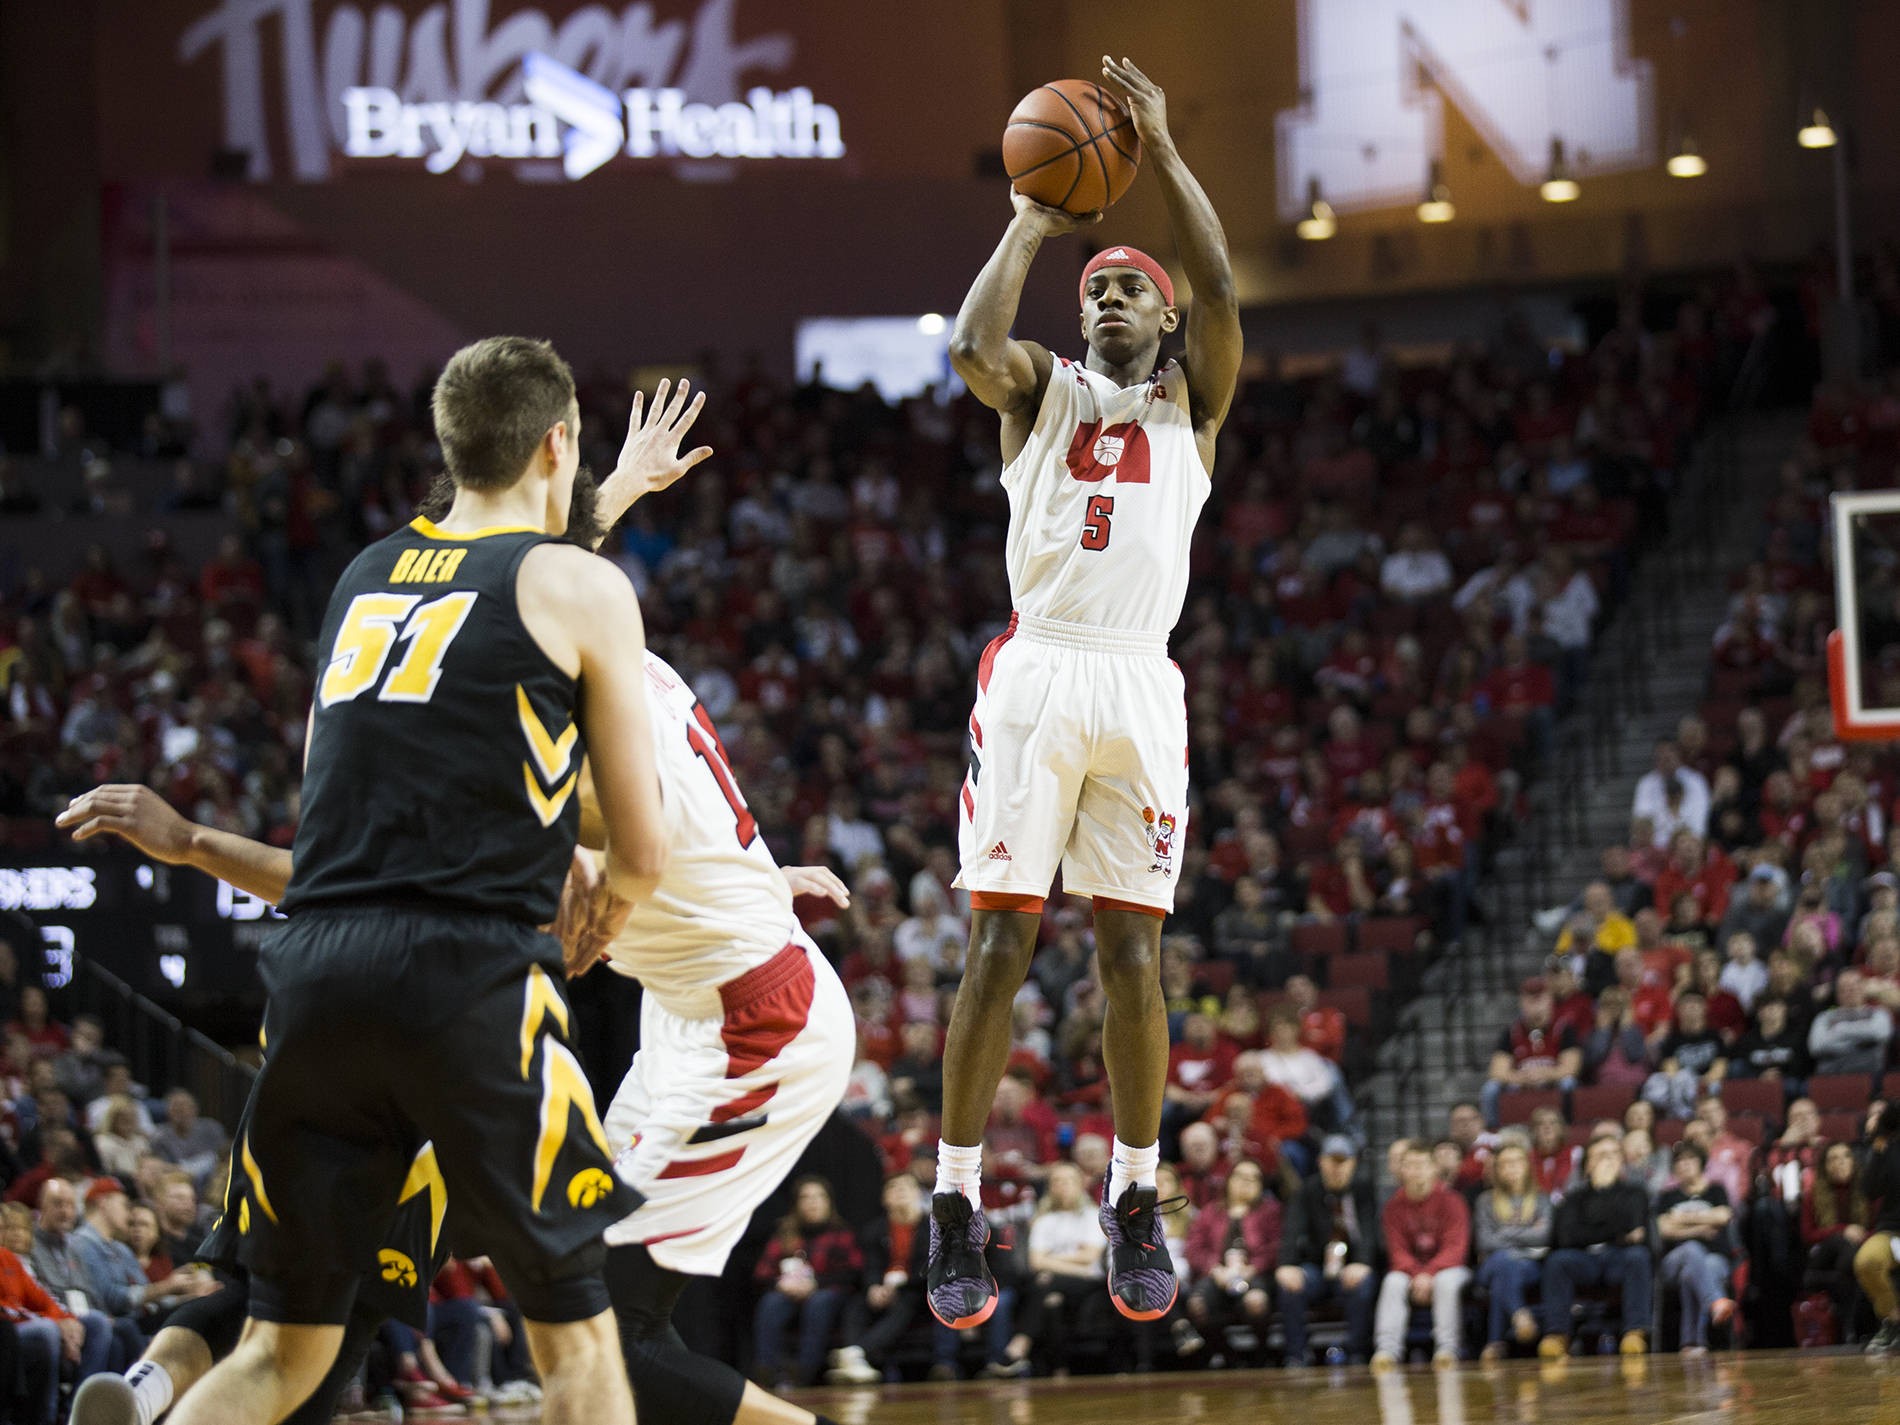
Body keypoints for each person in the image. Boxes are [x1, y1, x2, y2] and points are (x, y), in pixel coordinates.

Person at [68, 385, 857, 1425]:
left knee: (584, 1336)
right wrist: (613, 484)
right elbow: (533, 574)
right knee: (547, 1331)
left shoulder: (498, 685)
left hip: (754, 1018)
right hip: (679, 993)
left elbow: (359, 872)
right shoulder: (598, 654)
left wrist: (191, 843)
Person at [930, 53, 1243, 1332]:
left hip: (1141, 682)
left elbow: (1219, 280)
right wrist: (1028, 219)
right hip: (1041, 667)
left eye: (1130, 287)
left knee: (1132, 956)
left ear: (1161, 325)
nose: (1111, 295)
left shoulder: (1196, 409)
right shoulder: (1040, 396)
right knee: (1000, 943)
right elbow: (968, 343)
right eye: (1097, 287)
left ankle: (1132, 1194)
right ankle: (955, 1200)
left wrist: (1161, 153)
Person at [990, 1162, 1110, 1376]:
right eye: (1057, 1181)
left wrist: (1052, 1261)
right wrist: (1072, 1261)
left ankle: (1020, 1345)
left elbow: (1089, 1256)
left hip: (1089, 1282)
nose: (1062, 1186)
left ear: (1080, 1184)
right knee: (1051, 1300)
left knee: (1046, 1282)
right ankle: (1059, 1369)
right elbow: (1036, 1261)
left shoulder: (1094, 1215)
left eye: (1068, 1181)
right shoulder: (1043, 1219)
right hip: (1059, 1281)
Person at [1539, 1135, 1653, 1358]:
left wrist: (1605, 1197)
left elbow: (1636, 1230)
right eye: (1601, 1155)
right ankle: (1557, 1334)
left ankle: (1635, 1332)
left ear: (1621, 1161)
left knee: (1638, 1256)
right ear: (1588, 1163)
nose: (1607, 1161)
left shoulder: (1636, 1192)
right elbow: (1566, 1237)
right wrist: (1617, 1233)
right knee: (1557, 1261)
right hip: (1584, 1260)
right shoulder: (1574, 1196)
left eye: (1613, 1155)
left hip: (1619, 1258)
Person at [1276, 1136, 1380, 1367]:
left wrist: (1362, 1262)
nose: (1337, 1168)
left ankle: (1357, 1353)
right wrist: (1286, 1265)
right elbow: (1292, 1230)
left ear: (1353, 1163)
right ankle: (1297, 1354)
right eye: (1332, 1161)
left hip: (1352, 1265)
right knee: (1290, 1285)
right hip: (1318, 1266)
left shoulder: (1363, 1189)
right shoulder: (1308, 1190)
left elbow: (1370, 1231)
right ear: (1321, 1162)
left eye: (1343, 1162)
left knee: (1364, 1284)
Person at [750, 1178, 862, 1390]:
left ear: (829, 1202)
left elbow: (852, 1274)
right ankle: (767, 1370)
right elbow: (762, 1274)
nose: (813, 1203)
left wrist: (815, 1284)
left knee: (819, 1303)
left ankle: (803, 1372)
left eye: (819, 1197)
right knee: (771, 1302)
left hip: (829, 1294)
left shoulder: (841, 1233)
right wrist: (780, 1284)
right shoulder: (785, 1234)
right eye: (806, 1198)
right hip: (790, 1293)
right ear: (797, 1204)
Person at [1373, 1141, 1471, 1370]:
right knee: (1392, 1282)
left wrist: (1429, 1273)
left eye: (1422, 1165)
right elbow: (1397, 1250)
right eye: (1410, 1165)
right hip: (1412, 1272)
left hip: (1449, 1268)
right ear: (1401, 1169)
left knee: (1446, 1282)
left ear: (1434, 1168)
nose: (1417, 1170)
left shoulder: (1452, 1201)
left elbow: (1456, 1248)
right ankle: (1386, 1351)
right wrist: (1418, 1275)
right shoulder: (1393, 1206)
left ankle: (1447, 1349)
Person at [830, 1176, 932, 1385]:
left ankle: (856, 1353)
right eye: (894, 1188)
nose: (900, 1191)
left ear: (917, 1194)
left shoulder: (932, 1227)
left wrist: (902, 1283)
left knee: (905, 1303)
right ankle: (856, 1361)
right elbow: (870, 1265)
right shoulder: (874, 1230)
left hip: (917, 1289)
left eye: (906, 1187)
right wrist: (874, 1287)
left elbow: (931, 1267)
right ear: (885, 1198)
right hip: (883, 1288)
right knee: (857, 1304)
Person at [1182, 1159, 1279, 1352]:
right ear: (1229, 1180)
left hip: (1256, 1274)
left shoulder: (1270, 1210)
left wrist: (1252, 1269)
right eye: (1241, 1177)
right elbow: (1194, 1248)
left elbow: (1275, 1247)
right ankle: (1224, 1354)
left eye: (1254, 1179)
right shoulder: (1211, 1211)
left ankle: (1261, 1354)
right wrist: (1215, 1269)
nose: (1246, 1182)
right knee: (1197, 1305)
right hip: (1217, 1274)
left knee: (1256, 1301)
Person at [1654, 1142, 1736, 1356]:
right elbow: (1663, 1229)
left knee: (1694, 1272)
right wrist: (1700, 1230)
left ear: (1701, 1164)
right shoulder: (1667, 1196)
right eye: (1679, 1162)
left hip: (1715, 1258)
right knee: (1691, 1249)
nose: (1684, 1165)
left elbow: (1723, 1216)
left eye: (1689, 1160)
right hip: (1674, 1261)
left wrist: (1682, 1219)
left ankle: (1691, 1342)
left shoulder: (1716, 1190)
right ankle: (1715, 1302)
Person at [1472, 1142, 1551, 1361]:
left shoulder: (1541, 1199)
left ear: (1527, 1166)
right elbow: (1485, 1240)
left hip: (1530, 1265)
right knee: (1503, 1262)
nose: (1512, 1168)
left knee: (1504, 1274)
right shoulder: (1485, 1201)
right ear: (1497, 1169)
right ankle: (1519, 1314)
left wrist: (1505, 1233)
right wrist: (1525, 1231)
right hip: (1490, 1264)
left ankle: (1496, 1343)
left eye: (1517, 1162)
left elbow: (1545, 1236)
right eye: (1505, 1164)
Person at [1854, 1103, 1900, 1354]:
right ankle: (1893, 1320)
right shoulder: (1887, 1148)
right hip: (1892, 1232)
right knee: (1867, 1260)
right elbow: (1869, 1191)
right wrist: (1878, 1145)